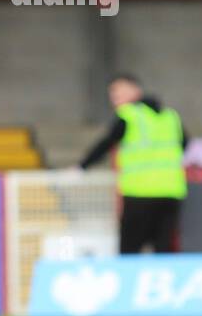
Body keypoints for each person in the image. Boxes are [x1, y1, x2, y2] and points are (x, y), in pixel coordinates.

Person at [79, 73, 188, 253]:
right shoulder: (170, 116)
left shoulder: (128, 115)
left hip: (139, 192)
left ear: (135, 91)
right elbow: (185, 143)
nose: (115, 100)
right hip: (171, 191)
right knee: (164, 250)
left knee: (130, 251)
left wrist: (82, 166)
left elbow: (106, 143)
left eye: (118, 93)